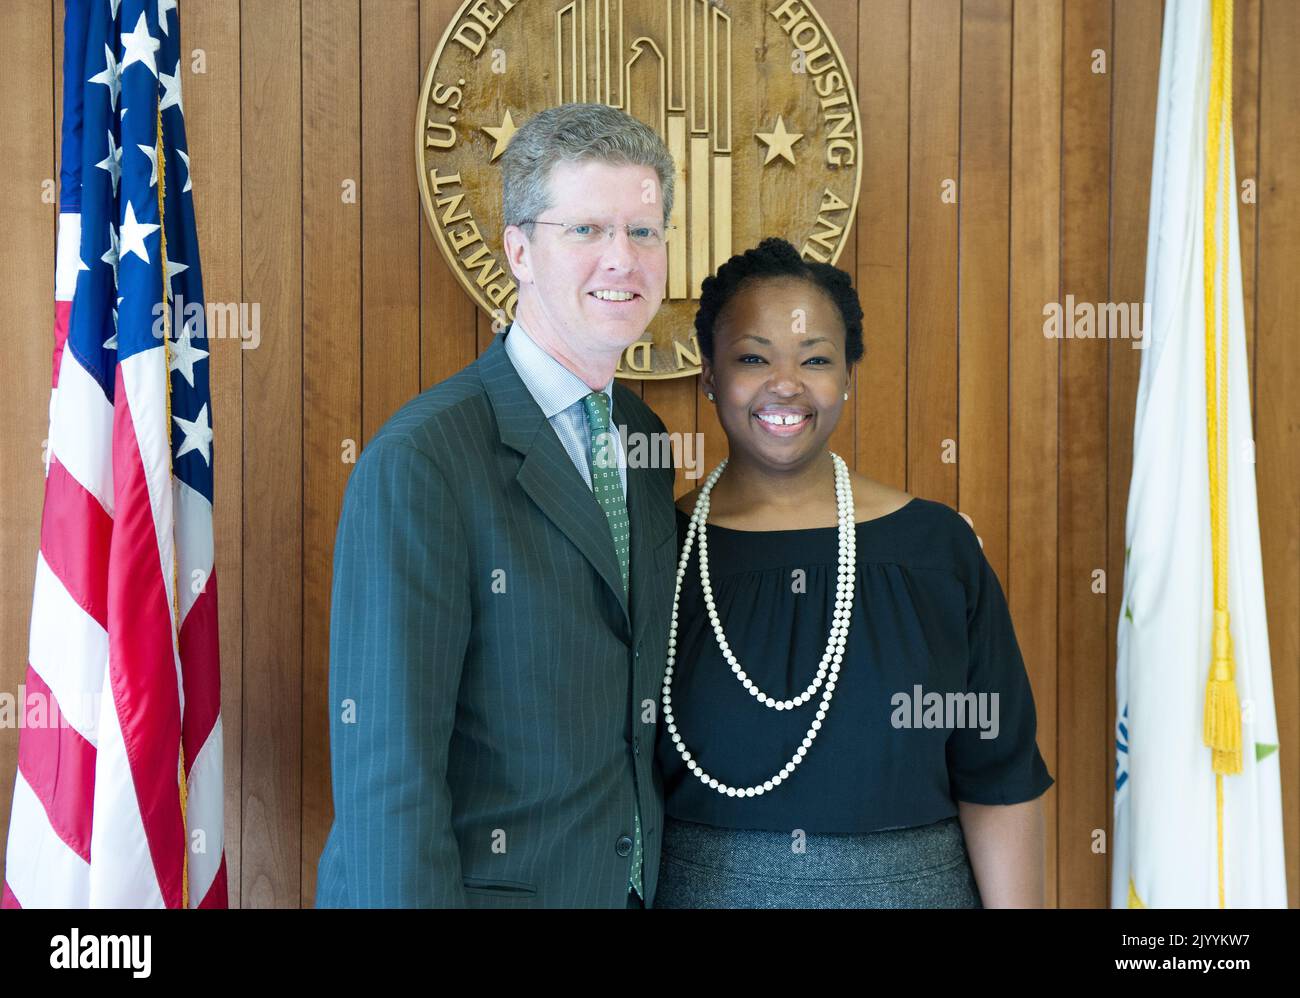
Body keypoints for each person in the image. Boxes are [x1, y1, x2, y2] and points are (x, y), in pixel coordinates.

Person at [316, 103, 679, 908]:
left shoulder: (645, 445)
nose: (622, 258)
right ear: (520, 250)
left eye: (643, 231)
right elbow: (389, 773)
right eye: (586, 230)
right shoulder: (424, 460)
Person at [653, 237, 1054, 908]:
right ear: (710, 375)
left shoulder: (935, 549)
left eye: (815, 359)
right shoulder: (656, 550)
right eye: (753, 357)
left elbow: (998, 777)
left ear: (847, 378)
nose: (785, 383)